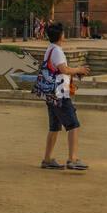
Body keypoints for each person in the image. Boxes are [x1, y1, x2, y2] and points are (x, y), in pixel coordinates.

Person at [40, 22, 90, 171]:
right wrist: (78, 69)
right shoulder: (57, 51)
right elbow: (63, 69)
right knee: (73, 125)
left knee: (54, 127)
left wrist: (75, 72)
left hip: (51, 92)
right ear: (61, 36)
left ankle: (48, 159)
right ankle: (72, 159)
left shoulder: (50, 49)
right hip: (59, 94)